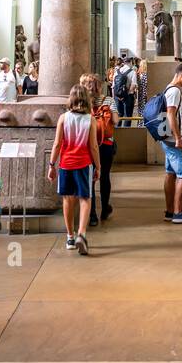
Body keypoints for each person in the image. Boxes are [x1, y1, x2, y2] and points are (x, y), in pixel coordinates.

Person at [48, 84, 100, 256]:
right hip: (84, 164)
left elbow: (57, 144)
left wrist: (51, 165)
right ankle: (82, 234)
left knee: (67, 199)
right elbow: (93, 146)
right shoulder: (90, 120)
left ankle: (70, 237)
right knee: (85, 198)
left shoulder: (63, 118)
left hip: (66, 164)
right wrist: (98, 166)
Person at [143, 60, 182, 225]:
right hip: (175, 140)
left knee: (171, 174)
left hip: (169, 139)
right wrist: (179, 137)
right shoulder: (174, 92)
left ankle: (170, 210)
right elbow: (171, 115)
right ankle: (178, 212)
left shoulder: (169, 89)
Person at [82, 72, 118, 227]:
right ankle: (105, 209)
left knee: (90, 179)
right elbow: (116, 121)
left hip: (87, 145)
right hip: (106, 144)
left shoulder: (81, 102)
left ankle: (92, 215)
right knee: (104, 176)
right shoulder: (108, 100)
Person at [112, 54, 138, 127]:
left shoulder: (117, 71)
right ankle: (126, 134)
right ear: (130, 63)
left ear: (124, 62)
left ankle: (117, 134)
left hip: (117, 97)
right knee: (128, 116)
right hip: (128, 97)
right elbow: (133, 85)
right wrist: (126, 95)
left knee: (119, 115)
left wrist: (116, 97)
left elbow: (113, 86)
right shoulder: (132, 72)